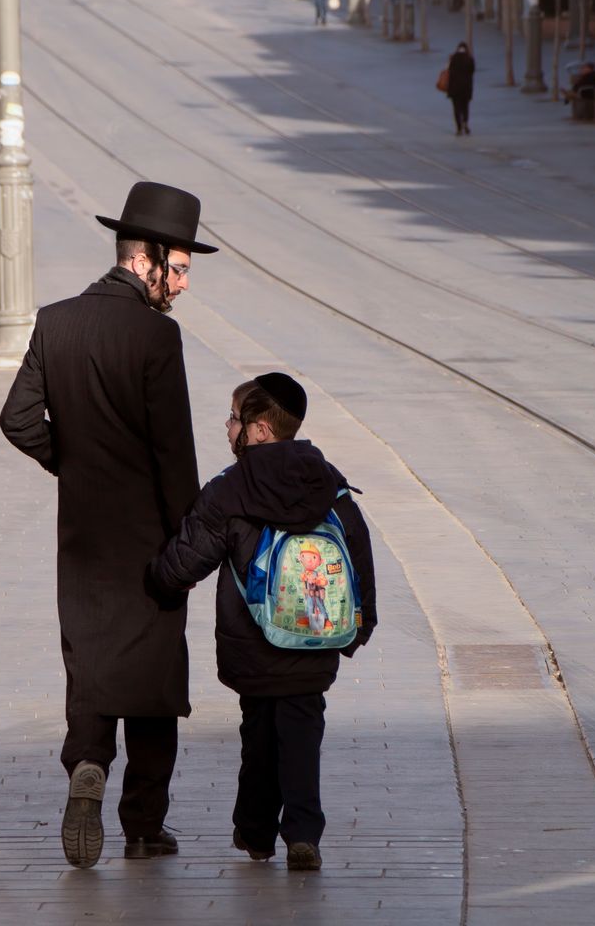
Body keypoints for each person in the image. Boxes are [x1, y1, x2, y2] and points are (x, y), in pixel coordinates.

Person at [0, 181, 217, 870]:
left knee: (90, 669)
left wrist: (72, 462)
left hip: (84, 544)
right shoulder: (157, 336)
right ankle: (144, 827)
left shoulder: (56, 321)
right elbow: (173, 451)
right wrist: (193, 536)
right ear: (147, 258)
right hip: (151, 541)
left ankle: (88, 764)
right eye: (177, 269)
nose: (181, 285)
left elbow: (16, 419)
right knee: (152, 683)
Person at [148, 373, 377, 871]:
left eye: (234, 417)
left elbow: (186, 560)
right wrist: (359, 627)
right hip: (317, 639)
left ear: (259, 431)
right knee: (301, 730)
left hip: (252, 640)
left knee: (260, 732)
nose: (227, 426)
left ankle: (255, 833)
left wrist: (157, 579)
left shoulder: (230, 490)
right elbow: (357, 552)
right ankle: (302, 833)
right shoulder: (327, 481)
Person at [447, 41, 475, 136]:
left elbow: (449, 71)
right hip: (466, 88)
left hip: (455, 89)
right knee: (465, 107)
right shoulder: (469, 59)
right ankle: (465, 123)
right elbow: (472, 71)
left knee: (456, 108)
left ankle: (459, 128)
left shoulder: (453, 58)